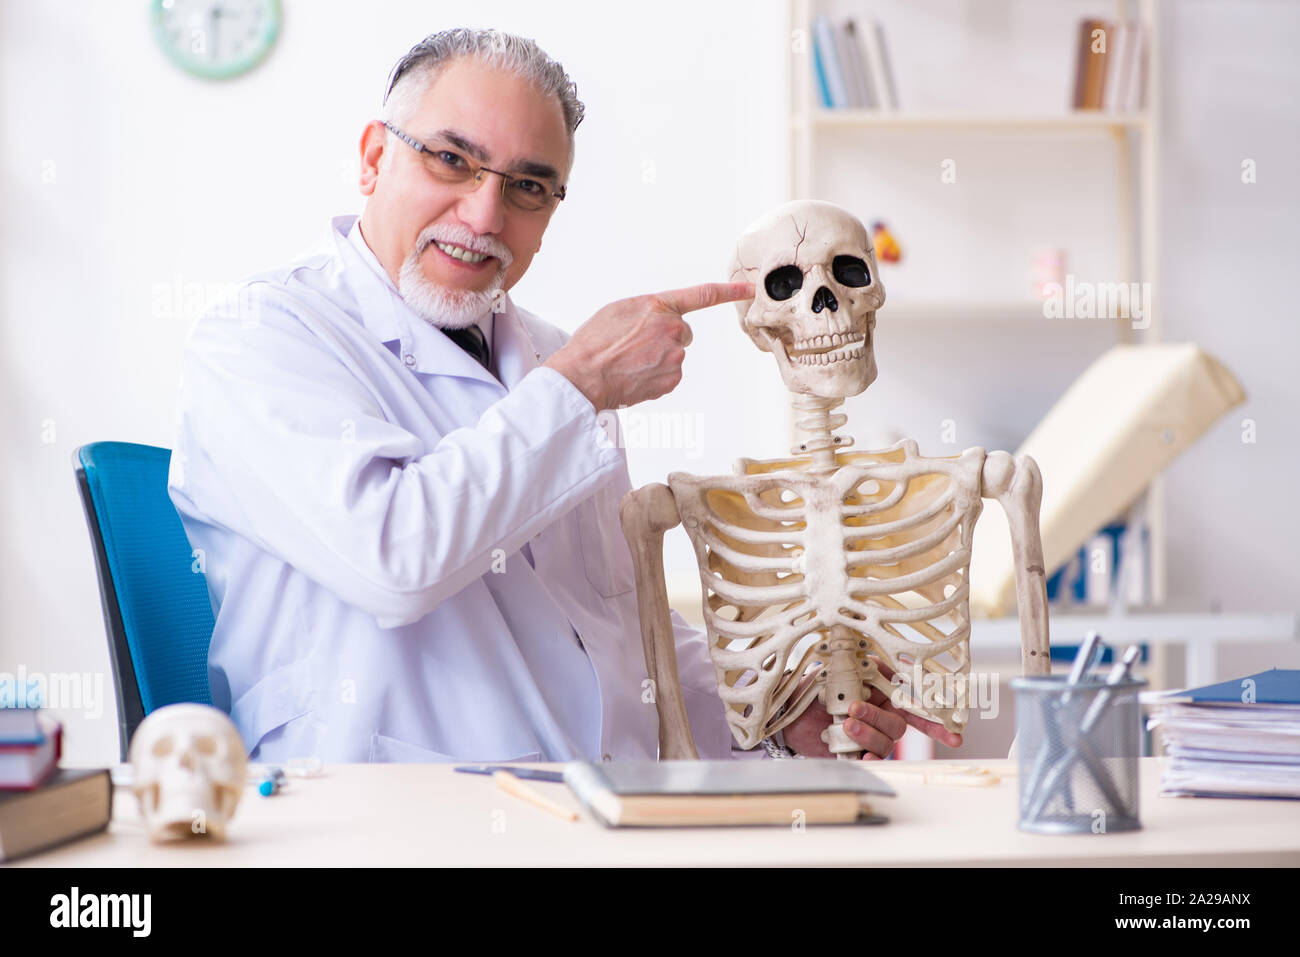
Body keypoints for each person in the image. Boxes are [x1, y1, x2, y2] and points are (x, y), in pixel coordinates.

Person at [168, 27, 960, 764]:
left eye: (528, 187)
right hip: (378, 815)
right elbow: (393, 560)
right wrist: (577, 386)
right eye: (451, 159)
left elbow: (615, 623)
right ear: (374, 157)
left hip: (586, 816)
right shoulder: (261, 336)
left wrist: (774, 719)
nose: (483, 214)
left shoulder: (549, 355)